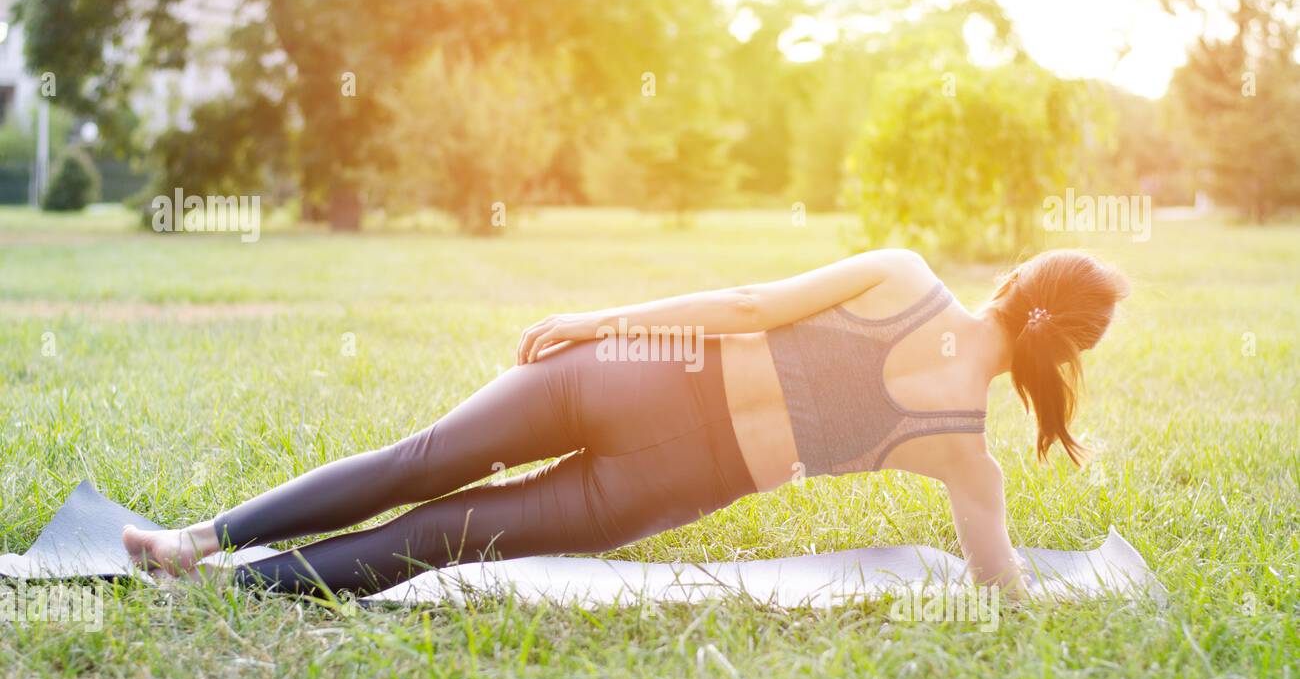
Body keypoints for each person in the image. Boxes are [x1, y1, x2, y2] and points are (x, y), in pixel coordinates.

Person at [124, 247, 1129, 598]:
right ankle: (235, 593)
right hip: (666, 483)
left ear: (1013, 280)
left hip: (637, 380)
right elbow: (999, 592)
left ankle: (190, 545)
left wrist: (598, 323)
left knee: (415, 463)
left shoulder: (903, 275)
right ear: (1068, 350)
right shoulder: (967, 454)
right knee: (440, 539)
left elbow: (742, 307)